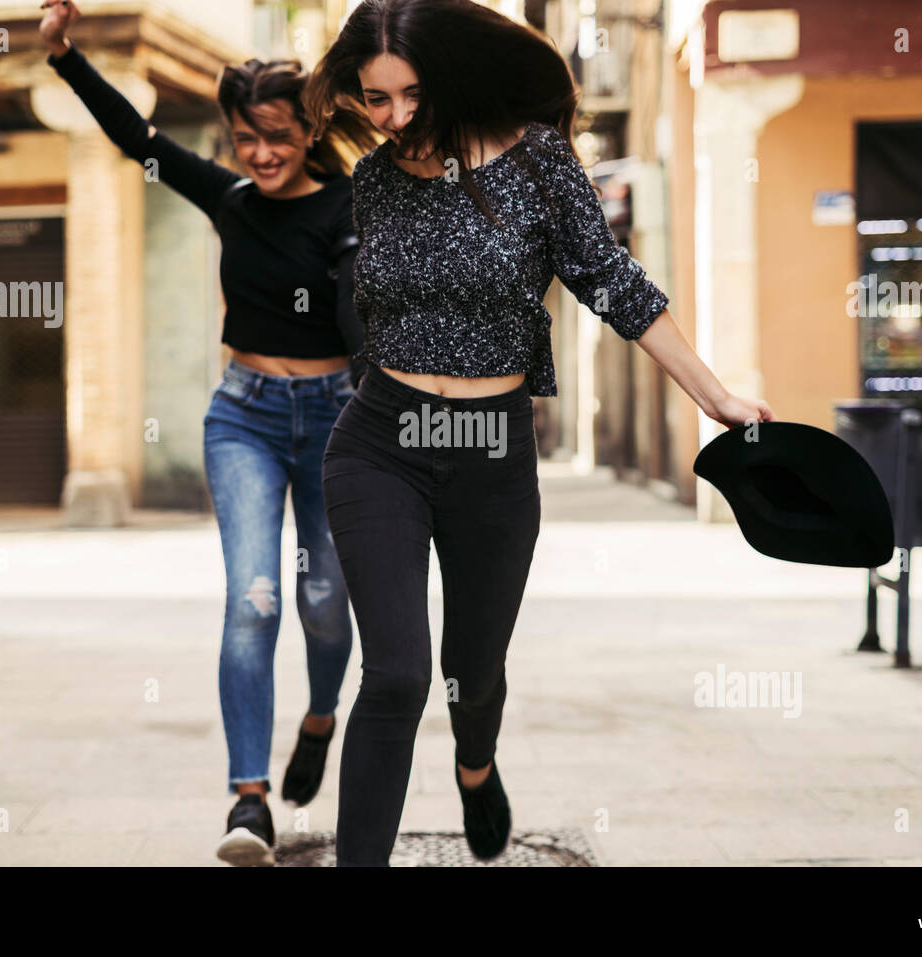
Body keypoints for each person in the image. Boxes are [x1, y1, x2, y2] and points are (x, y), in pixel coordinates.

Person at [302, 0, 775, 866]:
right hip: (381, 444)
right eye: (375, 99)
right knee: (398, 674)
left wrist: (714, 394)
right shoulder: (372, 180)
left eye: (410, 94)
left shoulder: (538, 160)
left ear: (444, 74)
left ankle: (475, 767)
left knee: (471, 672)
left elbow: (613, 281)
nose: (395, 117)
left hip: (491, 453)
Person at [39, 0, 383, 866]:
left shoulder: (357, 203)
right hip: (246, 417)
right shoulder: (230, 201)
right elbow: (138, 141)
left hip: (340, 419)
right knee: (255, 598)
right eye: (244, 137)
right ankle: (249, 800)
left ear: (308, 130)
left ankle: (318, 719)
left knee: (326, 602)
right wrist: (65, 56)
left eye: (277, 135)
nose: (260, 154)